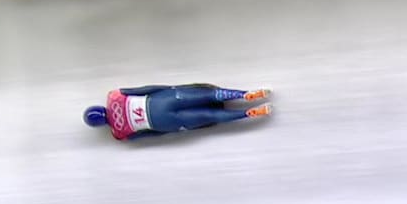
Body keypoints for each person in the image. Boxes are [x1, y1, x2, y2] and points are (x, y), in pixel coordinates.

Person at [83, 83, 272, 141]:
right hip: (163, 100)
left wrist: (173, 129)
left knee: (209, 115)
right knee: (207, 95)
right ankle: (246, 95)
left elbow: (149, 134)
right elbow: (144, 89)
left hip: (166, 122)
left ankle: (249, 114)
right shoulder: (115, 96)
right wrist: (169, 89)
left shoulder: (119, 134)